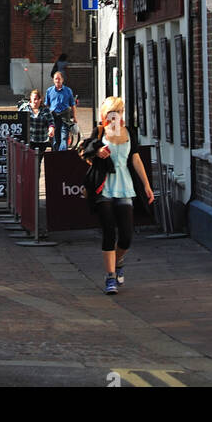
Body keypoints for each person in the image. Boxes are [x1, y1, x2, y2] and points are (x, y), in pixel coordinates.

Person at [81, 96, 154, 295]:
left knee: (127, 236)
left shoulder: (130, 133)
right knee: (108, 231)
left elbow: (136, 159)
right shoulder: (101, 131)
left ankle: (119, 259)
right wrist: (97, 151)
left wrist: (147, 185)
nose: (116, 116)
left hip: (125, 185)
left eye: (120, 112)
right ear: (106, 115)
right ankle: (110, 276)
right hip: (104, 186)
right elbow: (85, 150)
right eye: (112, 113)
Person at [18, 88, 55, 163]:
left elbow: (51, 122)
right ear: (30, 99)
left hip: (41, 140)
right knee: (29, 162)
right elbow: (18, 120)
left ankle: (36, 174)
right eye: (34, 99)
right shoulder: (24, 108)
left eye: (37, 99)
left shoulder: (45, 109)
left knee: (37, 162)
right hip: (29, 140)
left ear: (40, 100)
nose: (35, 101)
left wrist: (51, 129)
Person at [45, 69, 77, 150]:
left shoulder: (68, 90)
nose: (57, 80)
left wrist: (75, 117)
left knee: (64, 137)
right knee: (56, 138)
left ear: (62, 80)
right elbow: (46, 105)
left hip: (65, 116)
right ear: (53, 80)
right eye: (56, 78)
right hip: (54, 116)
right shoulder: (49, 91)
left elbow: (73, 105)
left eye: (59, 78)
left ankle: (62, 155)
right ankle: (56, 155)